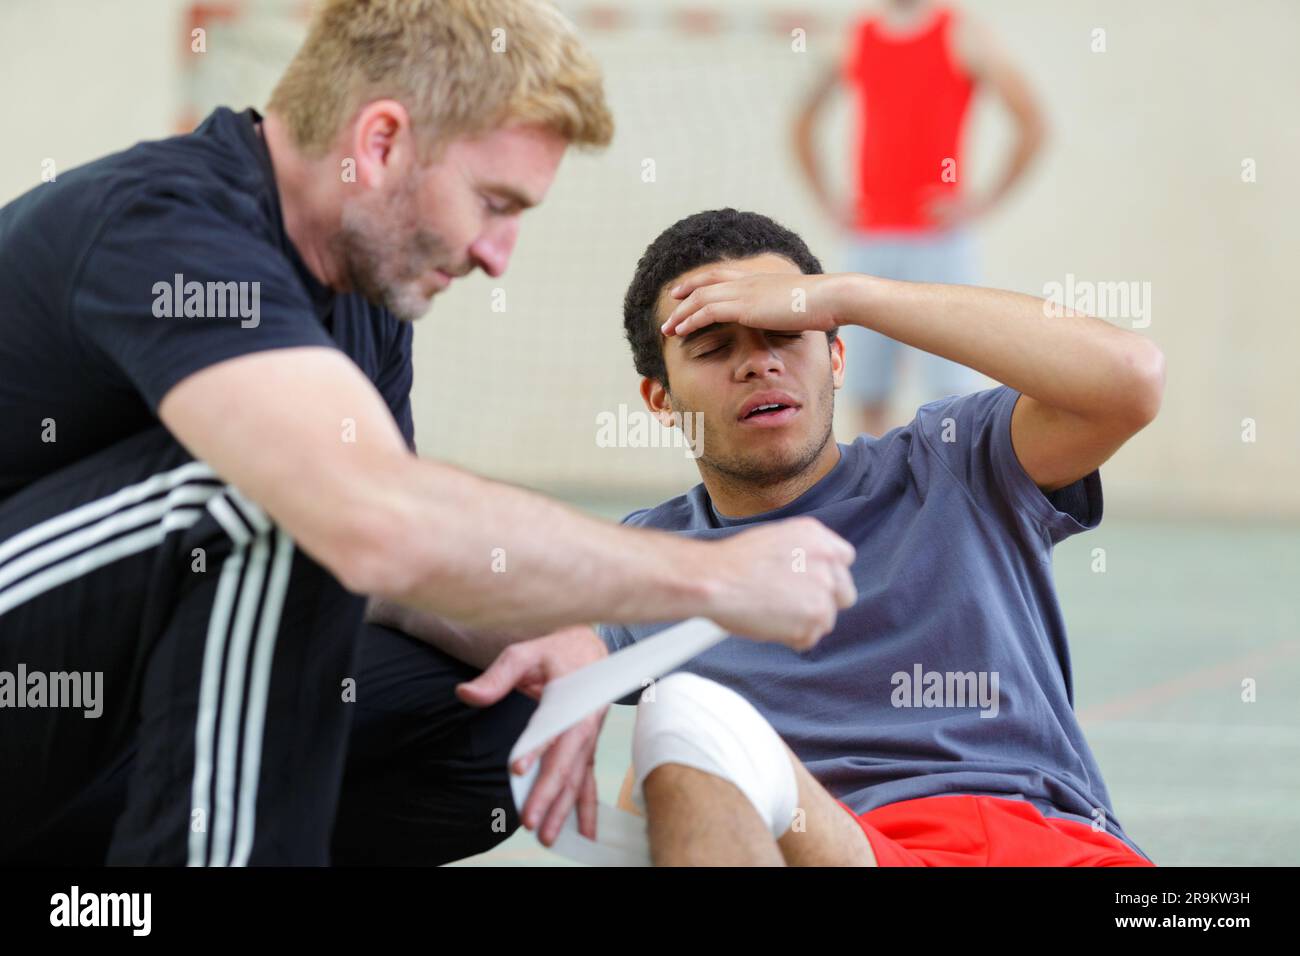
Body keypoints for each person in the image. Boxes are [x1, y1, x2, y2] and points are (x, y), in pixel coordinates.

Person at [0, 3, 856, 866]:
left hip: (85, 712)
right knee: (283, 495)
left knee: (500, 718)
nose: (499, 256)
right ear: (379, 144)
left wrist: (573, 651)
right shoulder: (167, 224)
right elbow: (369, 520)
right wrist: (708, 576)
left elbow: (389, 576)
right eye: (493, 202)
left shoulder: (365, 302)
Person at [470, 208, 1163, 866]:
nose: (759, 364)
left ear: (835, 357)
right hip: (851, 849)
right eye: (714, 347)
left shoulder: (954, 459)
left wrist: (847, 294)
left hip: (1046, 844)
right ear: (660, 400)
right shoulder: (653, 559)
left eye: (786, 333)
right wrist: (574, 659)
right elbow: (551, 636)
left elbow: (1128, 380)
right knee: (679, 718)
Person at [793, 0, 1047, 435]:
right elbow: (802, 122)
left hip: (938, 243)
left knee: (953, 390)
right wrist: (829, 200)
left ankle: (954, 495)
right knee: (866, 389)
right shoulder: (856, 37)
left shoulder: (962, 33)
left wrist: (982, 202)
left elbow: (1032, 123)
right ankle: (873, 498)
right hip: (869, 243)